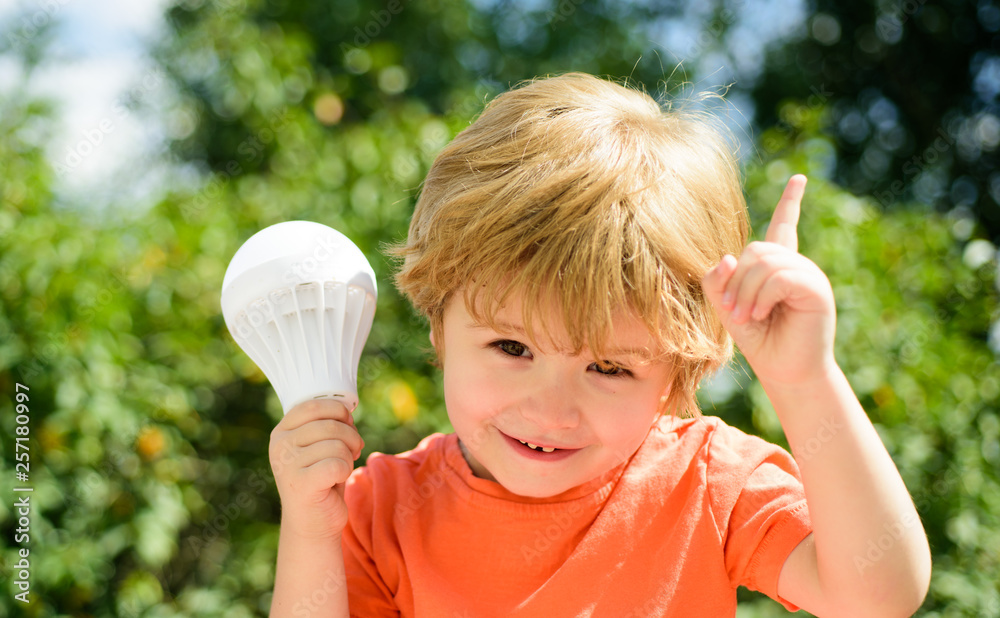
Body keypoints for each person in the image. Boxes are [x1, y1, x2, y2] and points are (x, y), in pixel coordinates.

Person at [267, 73, 931, 617]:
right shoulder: (380, 511)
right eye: (512, 348)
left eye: (609, 367)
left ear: (677, 372)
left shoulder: (706, 479)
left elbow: (877, 597)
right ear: (440, 325)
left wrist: (803, 379)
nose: (552, 410)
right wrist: (307, 529)